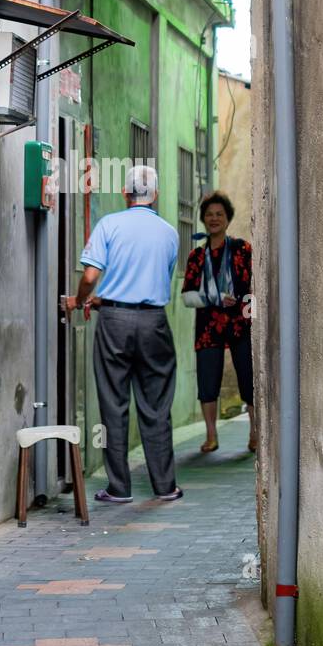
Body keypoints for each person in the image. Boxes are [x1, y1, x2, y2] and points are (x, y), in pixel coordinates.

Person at [65, 163, 183, 503]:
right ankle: (165, 486)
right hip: (154, 323)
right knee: (156, 404)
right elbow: (156, 278)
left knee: (114, 403)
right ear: (155, 195)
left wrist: (82, 301)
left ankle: (119, 488)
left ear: (124, 194)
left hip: (114, 321)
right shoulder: (169, 233)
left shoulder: (109, 225)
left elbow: (89, 277)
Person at [181, 191, 255, 454]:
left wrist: (249, 314)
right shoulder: (196, 257)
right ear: (203, 219)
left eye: (219, 215)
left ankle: (255, 431)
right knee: (207, 381)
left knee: (249, 378)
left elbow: (252, 287)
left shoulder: (242, 249)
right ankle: (211, 435)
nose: (214, 219)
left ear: (227, 219)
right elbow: (188, 296)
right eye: (209, 215)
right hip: (208, 325)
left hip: (240, 323)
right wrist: (213, 298)